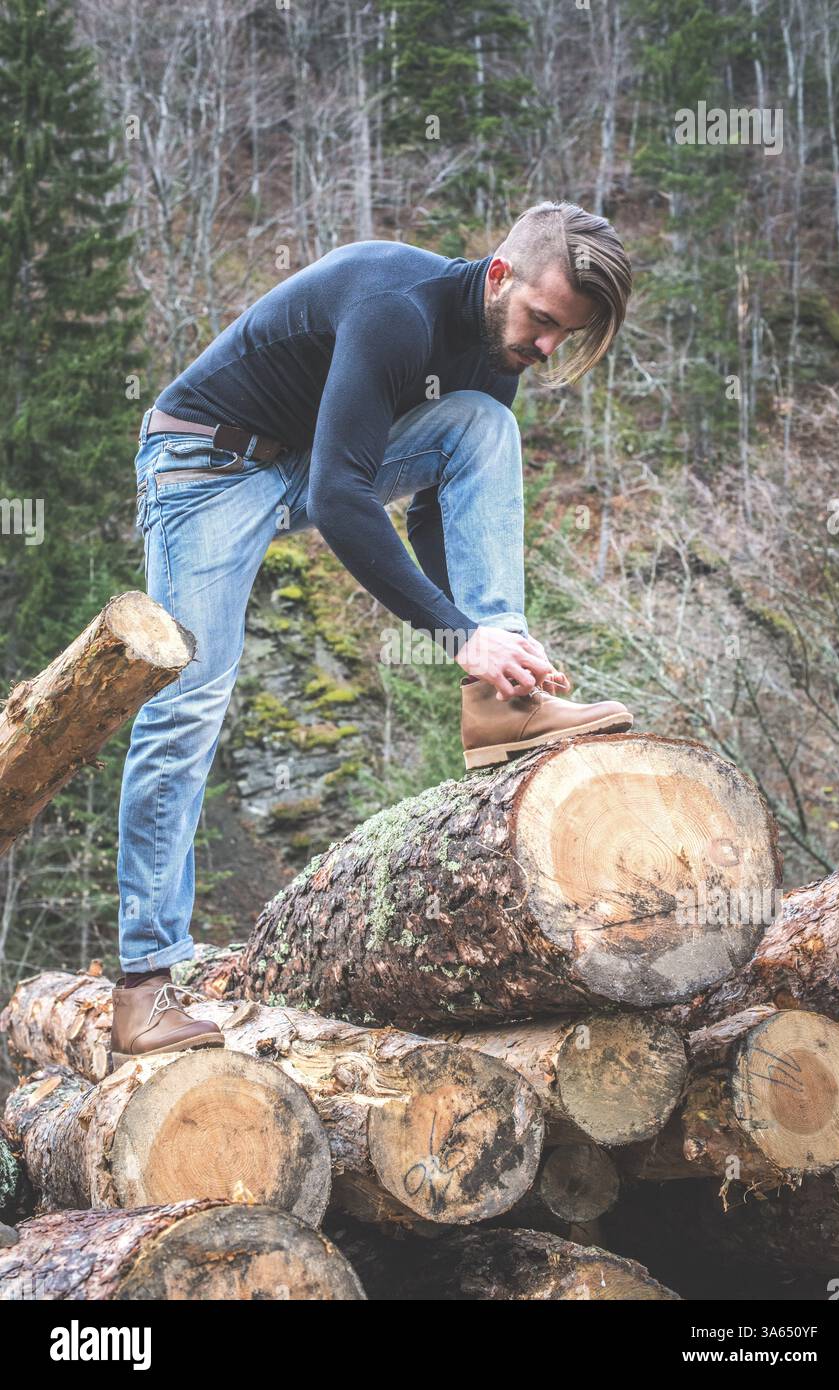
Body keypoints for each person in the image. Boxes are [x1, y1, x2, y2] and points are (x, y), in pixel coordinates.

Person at [111, 200, 634, 1066]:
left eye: (562, 336)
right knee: (188, 703)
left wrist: (480, 645)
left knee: (482, 425)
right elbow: (340, 497)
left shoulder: (496, 349)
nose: (544, 347)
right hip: (204, 463)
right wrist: (453, 633)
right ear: (498, 275)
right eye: (542, 321)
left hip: (303, 460)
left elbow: (440, 502)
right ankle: (143, 984)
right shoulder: (398, 308)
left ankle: (503, 703)